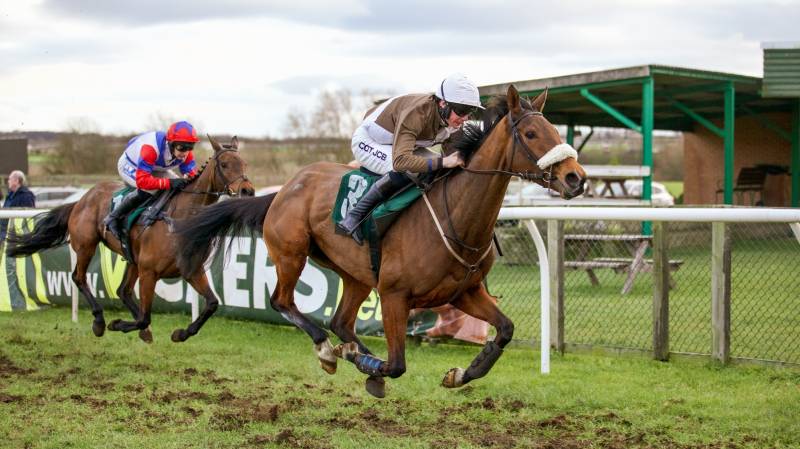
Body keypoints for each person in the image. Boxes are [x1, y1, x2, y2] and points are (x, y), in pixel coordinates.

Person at [336, 73, 484, 245]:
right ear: (443, 103)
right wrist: (443, 161)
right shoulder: (417, 113)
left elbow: (455, 158)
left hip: (400, 145)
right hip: (369, 141)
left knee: (441, 167)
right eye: (462, 111)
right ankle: (353, 217)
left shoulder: (451, 120)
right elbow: (401, 162)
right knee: (409, 169)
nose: (465, 118)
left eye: (470, 112)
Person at [103, 121, 199, 241]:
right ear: (171, 143)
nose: (185, 153)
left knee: (181, 187)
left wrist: (189, 178)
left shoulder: (185, 153)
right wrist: (169, 183)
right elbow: (143, 181)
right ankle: (113, 217)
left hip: (154, 167)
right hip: (131, 165)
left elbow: (191, 174)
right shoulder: (150, 148)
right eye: (182, 148)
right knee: (153, 188)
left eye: (190, 148)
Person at [0, 170, 37, 241]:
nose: (8, 181)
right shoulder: (9, 195)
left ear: (16, 181)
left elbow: (27, 219)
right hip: (3, 233)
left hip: (14, 237)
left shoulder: (26, 196)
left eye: (10, 179)